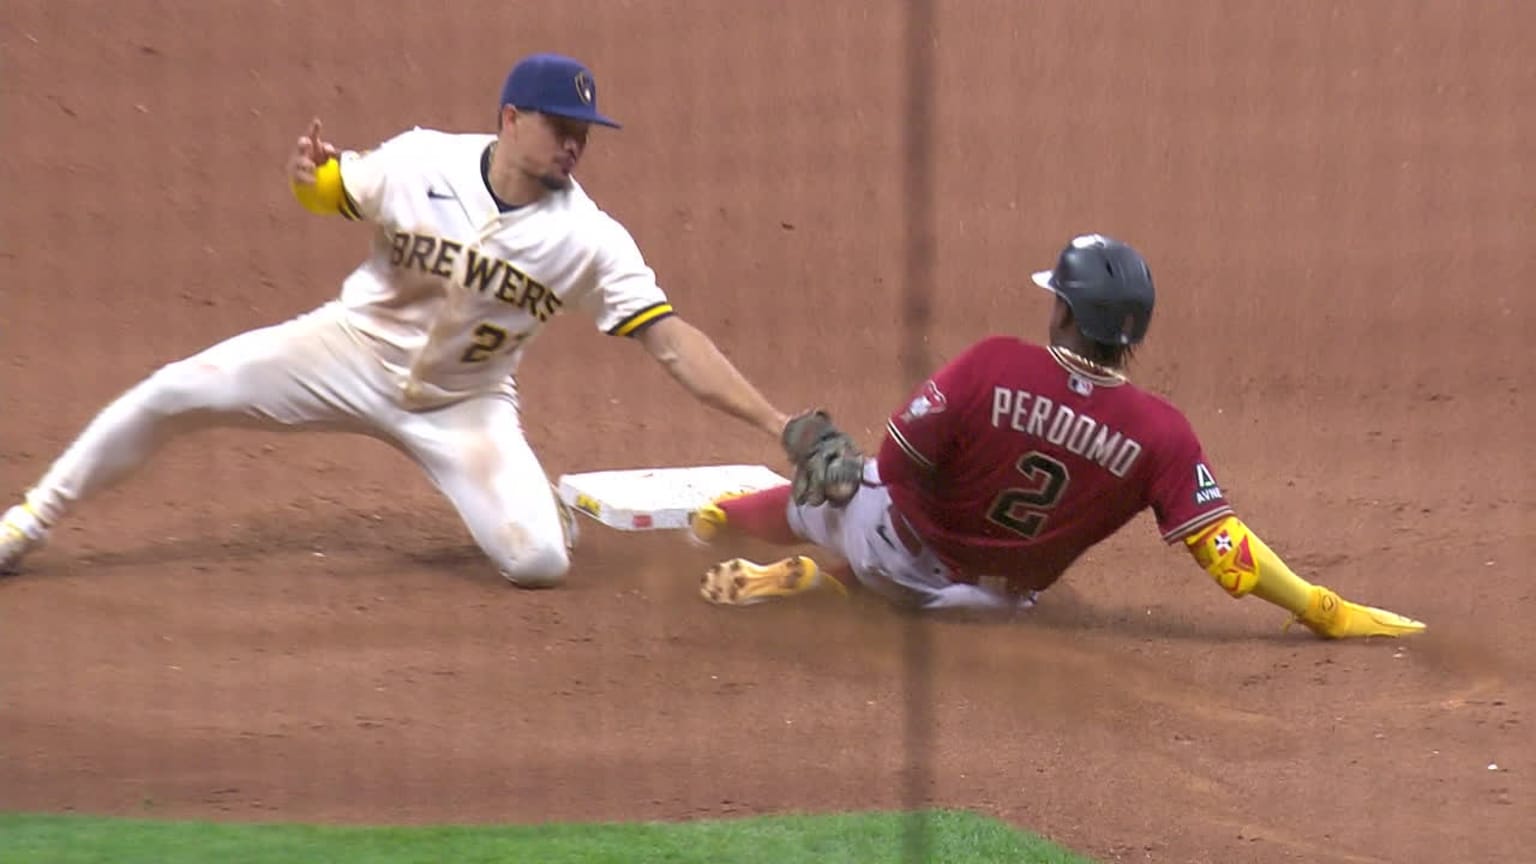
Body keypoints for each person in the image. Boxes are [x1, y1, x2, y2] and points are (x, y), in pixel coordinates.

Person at [0, 52, 796, 588]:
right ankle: (29, 523)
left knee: (537, 563)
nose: (574, 145)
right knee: (174, 391)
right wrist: (307, 179)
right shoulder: (423, 160)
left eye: (583, 132)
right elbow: (335, 189)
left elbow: (672, 342)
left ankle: (531, 501)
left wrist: (777, 422)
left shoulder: (590, 239)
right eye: (560, 127)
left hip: (466, 404)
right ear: (511, 119)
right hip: (343, 350)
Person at [689, 233, 1426, 639]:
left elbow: (899, 466)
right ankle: (828, 588)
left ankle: (724, 524)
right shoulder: (1161, 434)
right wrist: (1320, 606)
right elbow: (1228, 556)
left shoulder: (991, 364)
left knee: (836, 491)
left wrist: (843, 466)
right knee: (916, 570)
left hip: (892, 547)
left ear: (1067, 317)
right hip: (986, 609)